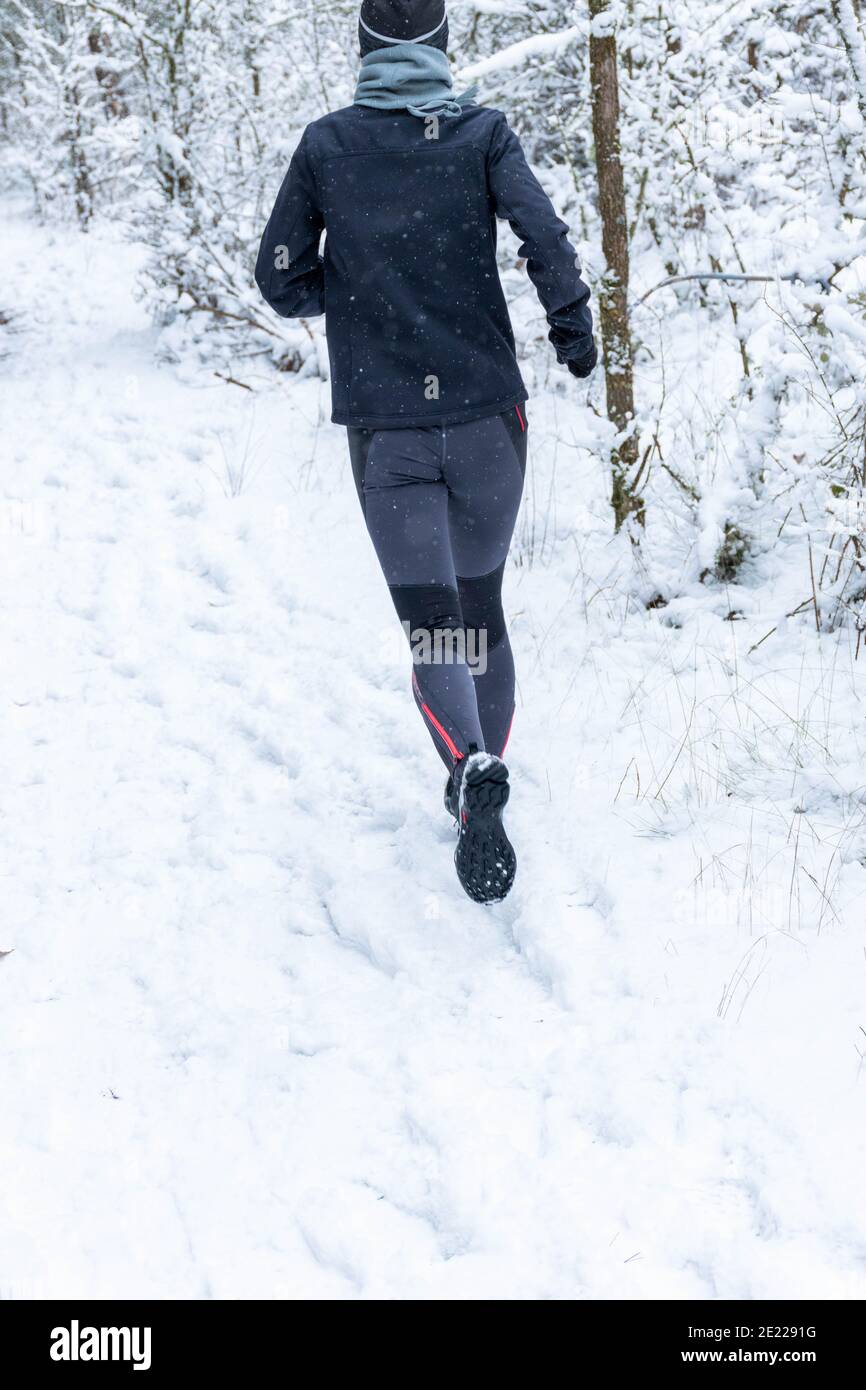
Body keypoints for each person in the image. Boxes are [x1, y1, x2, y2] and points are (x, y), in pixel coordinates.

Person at [255, 0, 596, 904]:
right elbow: (545, 237)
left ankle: (469, 769)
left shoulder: (328, 146)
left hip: (389, 432)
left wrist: (360, 288)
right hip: (491, 423)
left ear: (364, 50)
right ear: (444, 48)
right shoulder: (483, 135)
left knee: (434, 619)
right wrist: (572, 326)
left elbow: (277, 273)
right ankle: (481, 779)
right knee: (482, 603)